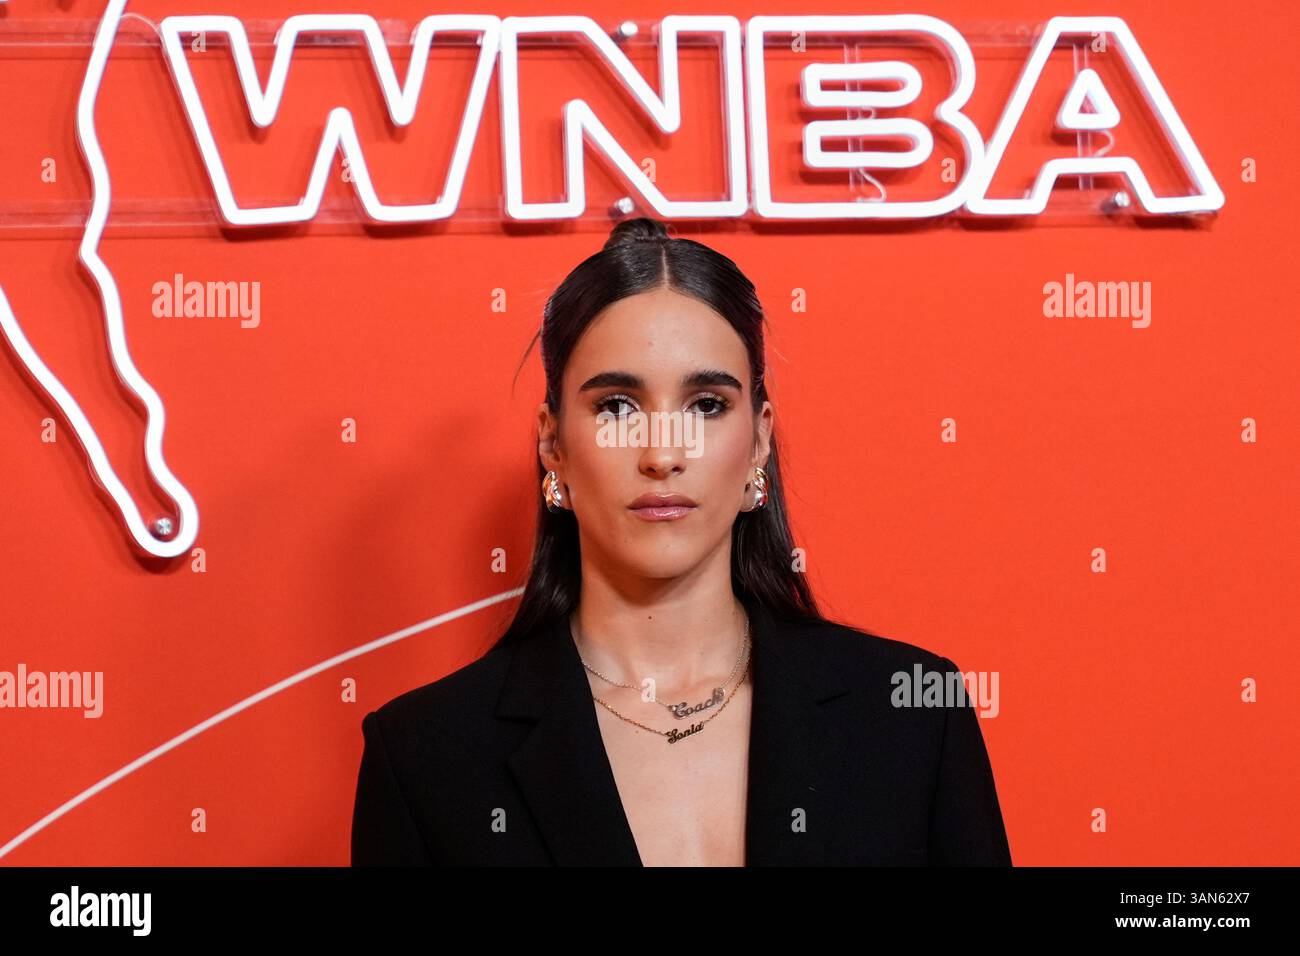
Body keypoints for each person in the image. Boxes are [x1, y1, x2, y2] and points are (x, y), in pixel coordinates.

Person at [350, 216, 1012, 866]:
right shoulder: (426, 758)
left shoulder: (913, 711)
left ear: (757, 440)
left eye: (706, 405)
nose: (663, 453)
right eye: (616, 407)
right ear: (553, 443)